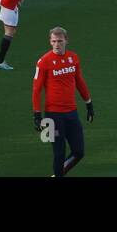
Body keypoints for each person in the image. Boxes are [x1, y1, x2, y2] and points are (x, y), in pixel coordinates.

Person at [32, 26, 94, 177]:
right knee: (59, 153)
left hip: (72, 114)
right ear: (50, 42)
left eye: (60, 41)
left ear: (66, 40)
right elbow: (36, 90)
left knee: (79, 151)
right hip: (53, 116)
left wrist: (89, 103)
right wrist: (37, 115)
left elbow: (79, 81)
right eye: (54, 41)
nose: (57, 44)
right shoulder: (43, 62)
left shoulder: (73, 58)